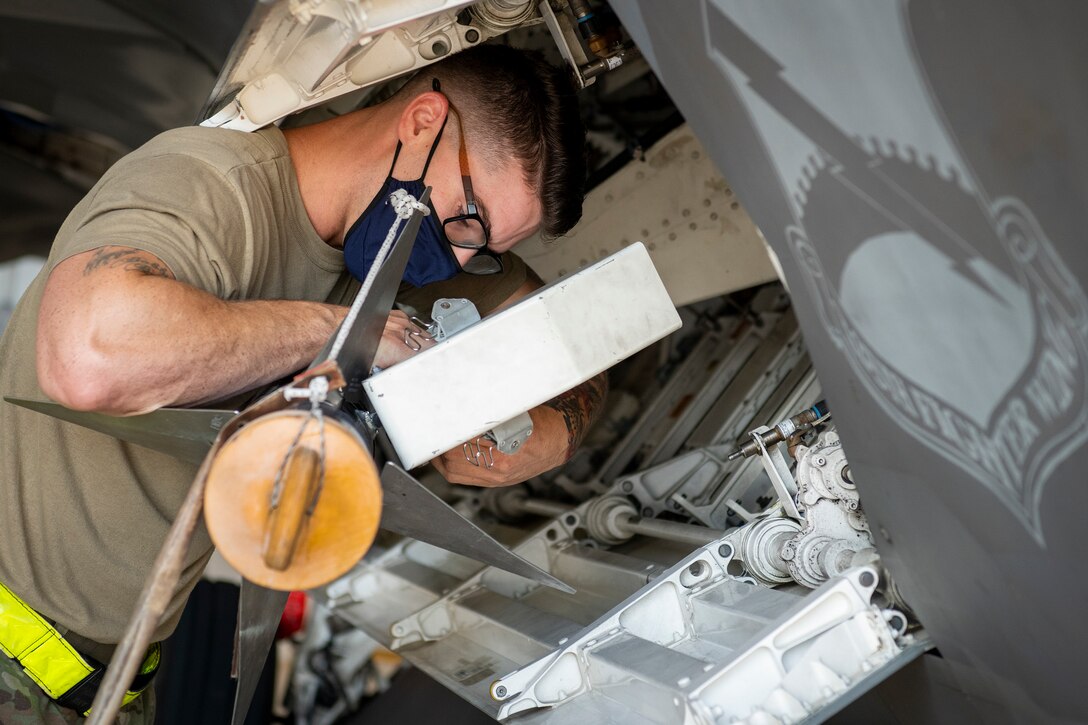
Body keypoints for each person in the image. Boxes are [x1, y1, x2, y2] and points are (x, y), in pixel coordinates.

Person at [0, 44, 604, 722]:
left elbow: (576, 342)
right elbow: (85, 358)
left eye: (484, 248)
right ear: (423, 122)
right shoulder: (210, 183)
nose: (462, 256)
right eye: (468, 221)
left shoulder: (407, 246)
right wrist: (343, 330)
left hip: (109, 687)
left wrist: (544, 437)